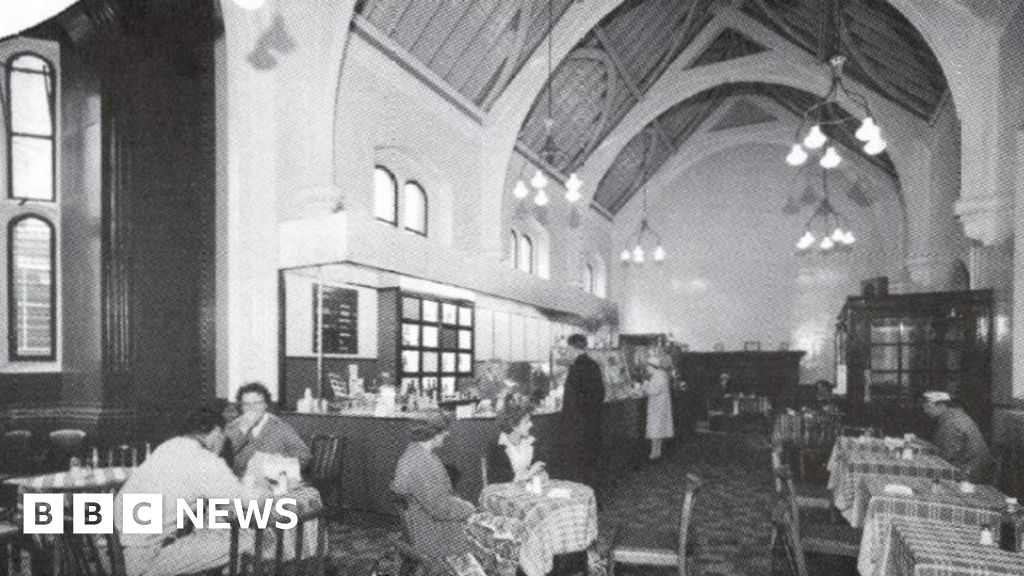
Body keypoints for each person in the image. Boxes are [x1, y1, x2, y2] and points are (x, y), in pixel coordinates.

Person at [115, 406, 261, 576]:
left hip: (113, 550)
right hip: (141, 562)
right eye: (222, 437)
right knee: (243, 538)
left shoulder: (168, 446)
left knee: (204, 531)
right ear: (215, 432)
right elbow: (244, 499)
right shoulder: (206, 461)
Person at [391, 411, 476, 561]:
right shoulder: (421, 463)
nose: (447, 434)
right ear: (434, 433)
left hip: (425, 523)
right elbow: (439, 508)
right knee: (490, 539)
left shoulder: (416, 452)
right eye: (444, 430)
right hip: (432, 533)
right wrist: (469, 508)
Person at [226, 382, 312, 477]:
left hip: (271, 482)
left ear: (265, 405)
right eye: (246, 404)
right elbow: (223, 456)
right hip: (239, 482)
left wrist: (278, 463)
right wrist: (242, 430)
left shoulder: (279, 426)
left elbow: (304, 455)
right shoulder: (234, 426)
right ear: (241, 407)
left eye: (257, 403)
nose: (252, 408)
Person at [557, 333, 605, 490]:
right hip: (592, 423)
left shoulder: (577, 368)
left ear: (573, 348)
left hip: (577, 426)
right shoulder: (594, 365)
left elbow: (572, 401)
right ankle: (592, 498)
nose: (566, 351)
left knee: (577, 466)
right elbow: (600, 394)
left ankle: (580, 500)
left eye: (567, 348)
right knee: (590, 464)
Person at [922, 391, 992, 482]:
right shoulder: (955, 415)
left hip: (969, 471)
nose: (925, 411)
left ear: (942, 406)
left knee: (926, 476)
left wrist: (929, 451)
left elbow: (947, 455)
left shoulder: (951, 422)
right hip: (971, 465)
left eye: (928, 407)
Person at [488, 401, 547, 483]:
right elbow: (501, 482)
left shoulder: (531, 442)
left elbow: (540, 469)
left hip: (526, 492)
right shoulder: (497, 447)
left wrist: (541, 474)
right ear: (514, 426)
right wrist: (530, 474)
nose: (531, 424)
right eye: (526, 422)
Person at [640, 349, 674, 460]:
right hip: (660, 406)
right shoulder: (661, 375)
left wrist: (644, 387)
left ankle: (654, 453)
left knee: (655, 430)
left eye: (648, 368)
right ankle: (657, 451)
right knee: (658, 431)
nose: (647, 370)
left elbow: (654, 391)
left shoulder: (658, 376)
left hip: (657, 407)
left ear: (652, 367)